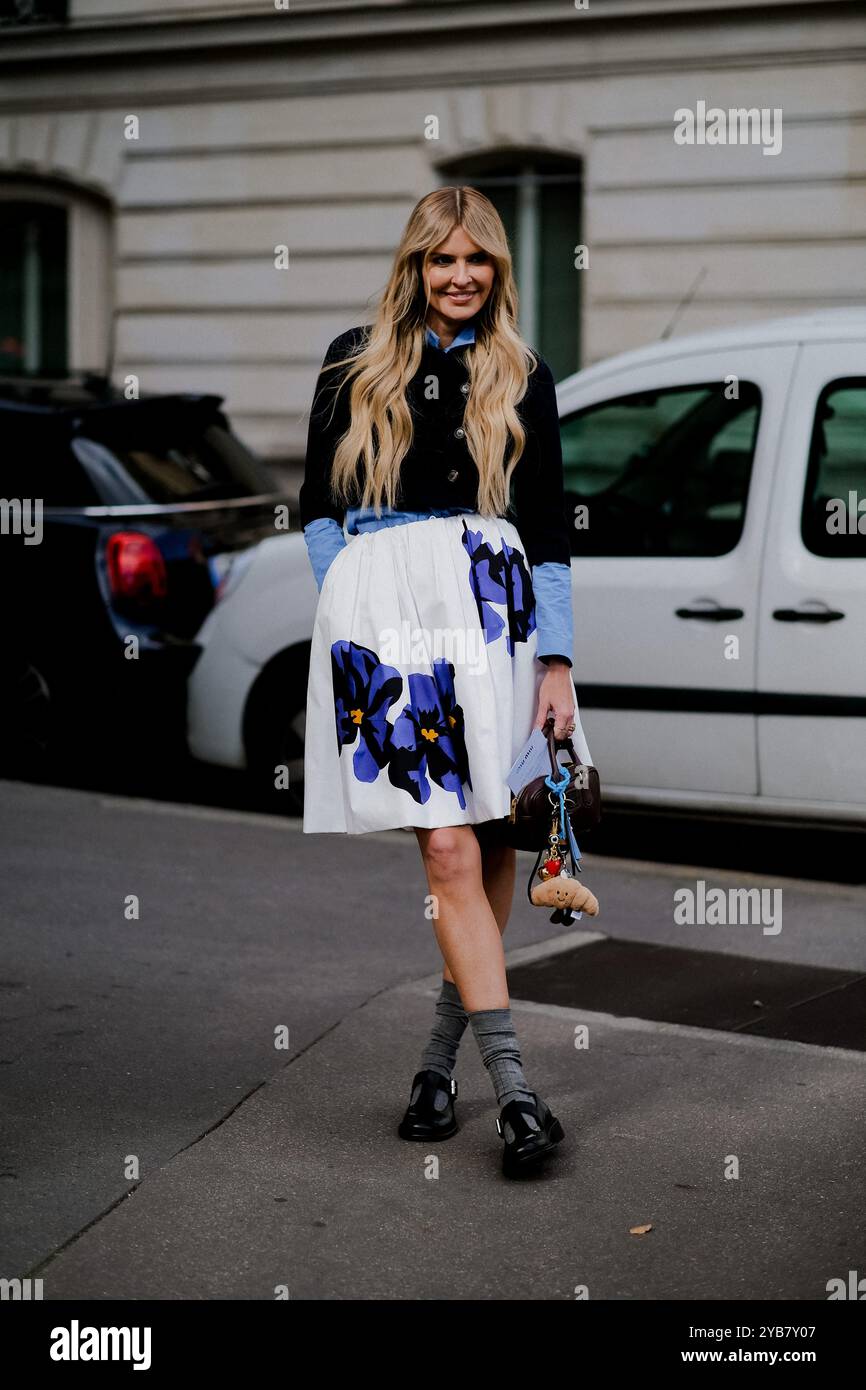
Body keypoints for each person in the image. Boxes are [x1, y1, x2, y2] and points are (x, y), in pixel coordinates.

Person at [298, 185, 592, 1178]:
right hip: (391, 628)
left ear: (495, 269)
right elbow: (316, 512)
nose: (458, 276)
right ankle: (514, 1091)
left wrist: (555, 662)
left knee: (492, 835)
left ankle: (435, 1067)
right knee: (447, 857)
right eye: (440, 260)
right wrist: (350, 617)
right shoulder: (355, 361)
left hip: (496, 616)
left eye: (476, 260)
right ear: (414, 266)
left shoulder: (522, 371)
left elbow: (548, 531)